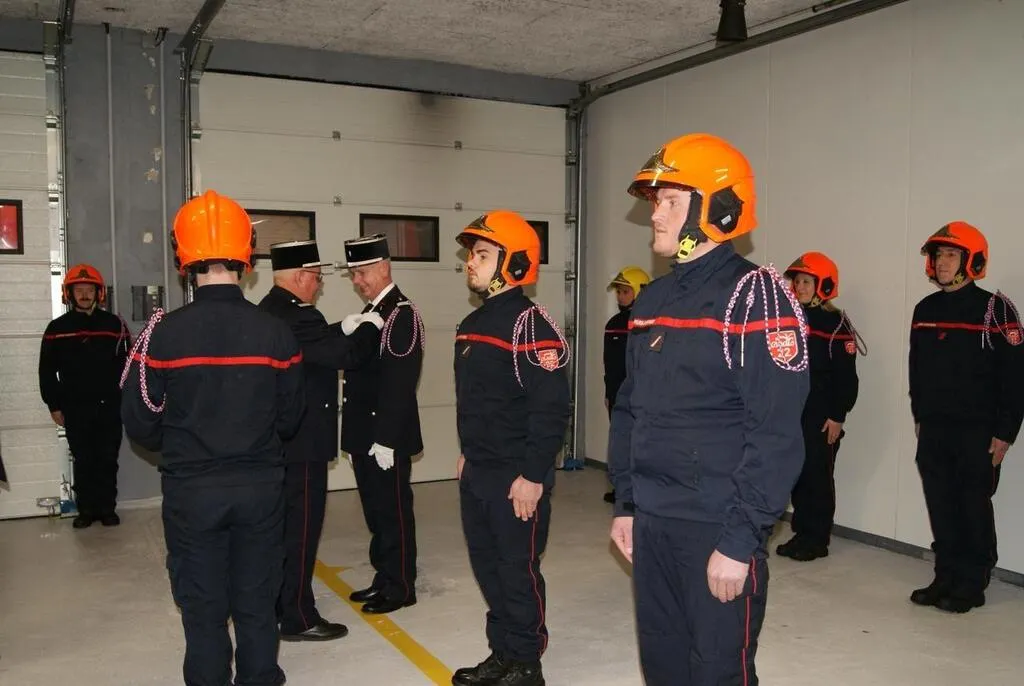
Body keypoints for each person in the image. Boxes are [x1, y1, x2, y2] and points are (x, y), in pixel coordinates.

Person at [608, 133, 809, 686]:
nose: (655, 216)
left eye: (670, 201)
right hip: (653, 520)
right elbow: (630, 410)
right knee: (664, 663)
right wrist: (627, 503)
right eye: (655, 203)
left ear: (717, 208)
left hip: (716, 526)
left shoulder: (758, 297)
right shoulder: (651, 300)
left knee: (717, 670)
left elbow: (776, 433)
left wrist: (741, 540)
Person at [121, 190, 305, 686]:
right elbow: (291, 418)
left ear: (184, 259)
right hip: (261, 489)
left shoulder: (161, 335)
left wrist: (182, 443)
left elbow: (139, 420)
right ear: (246, 260)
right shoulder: (275, 333)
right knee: (257, 599)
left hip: (193, 490)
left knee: (202, 606)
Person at [451, 210, 571, 686]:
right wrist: (468, 452)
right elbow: (477, 402)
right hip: (478, 470)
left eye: (482, 254)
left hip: (516, 475)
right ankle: (501, 653)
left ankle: (526, 662)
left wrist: (533, 475)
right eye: (471, 255)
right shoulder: (471, 322)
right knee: (488, 568)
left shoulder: (531, 326)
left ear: (515, 263)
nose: (470, 263)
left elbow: (551, 410)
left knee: (517, 571)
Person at [258, 239, 384, 641]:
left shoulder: (269, 309)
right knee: (301, 530)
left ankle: (279, 603)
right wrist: (367, 326)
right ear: (298, 277)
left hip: (279, 443)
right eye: (315, 277)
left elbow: (310, 345)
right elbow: (345, 356)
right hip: (305, 444)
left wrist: (338, 326)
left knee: (279, 531)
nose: (319, 285)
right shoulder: (300, 315)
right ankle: (298, 616)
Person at [909, 221, 1023, 613]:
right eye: (939, 255)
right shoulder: (925, 310)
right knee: (940, 502)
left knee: (972, 503)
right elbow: (917, 370)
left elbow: (1015, 377)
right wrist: (919, 416)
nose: (942, 262)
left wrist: (1006, 432)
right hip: (935, 429)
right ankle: (946, 575)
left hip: (978, 430)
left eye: (952, 254)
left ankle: (972, 581)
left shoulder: (995, 309)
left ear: (971, 261)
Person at [340, 233, 425, 615]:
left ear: (383, 267)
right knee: (376, 512)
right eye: (353, 274)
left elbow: (399, 383)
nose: (357, 281)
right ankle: (385, 575)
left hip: (384, 437)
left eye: (362, 273)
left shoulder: (400, 314)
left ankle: (401, 585)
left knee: (393, 512)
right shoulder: (375, 311)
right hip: (366, 434)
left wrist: (387, 438)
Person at [775, 252, 862, 562]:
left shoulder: (835, 323)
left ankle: (817, 539)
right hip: (790, 412)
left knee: (818, 478)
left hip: (821, 415)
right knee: (796, 477)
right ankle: (802, 533)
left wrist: (837, 415)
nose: (799, 286)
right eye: (797, 281)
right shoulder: (786, 317)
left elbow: (846, 377)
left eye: (807, 281)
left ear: (824, 285)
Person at [39, 264, 130, 528]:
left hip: (110, 407)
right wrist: (53, 405)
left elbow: (127, 367)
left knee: (107, 459)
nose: (84, 294)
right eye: (78, 290)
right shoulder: (57, 328)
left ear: (99, 293)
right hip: (75, 408)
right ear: (69, 294)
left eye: (89, 289)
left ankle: (107, 509)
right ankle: (86, 510)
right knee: (84, 459)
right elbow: (46, 371)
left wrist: (126, 401)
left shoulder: (115, 325)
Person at [602, 265, 650, 504]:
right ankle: (621, 488)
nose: (621, 297)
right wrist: (608, 392)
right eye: (619, 292)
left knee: (637, 445)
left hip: (640, 395)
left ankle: (637, 492)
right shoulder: (612, 323)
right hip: (616, 394)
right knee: (619, 443)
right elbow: (609, 364)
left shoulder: (646, 323)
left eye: (625, 291)